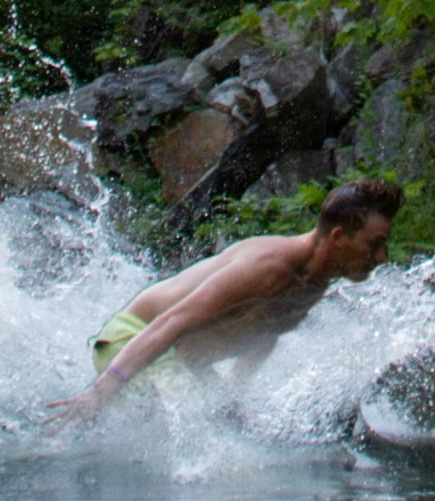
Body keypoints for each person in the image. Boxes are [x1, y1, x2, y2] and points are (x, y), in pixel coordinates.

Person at [59, 177, 406, 423]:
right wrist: (101, 391)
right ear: (338, 237)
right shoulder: (266, 267)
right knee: (204, 442)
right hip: (132, 340)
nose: (382, 257)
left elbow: (266, 333)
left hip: (184, 365)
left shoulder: (314, 282)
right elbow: (172, 321)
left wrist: (234, 396)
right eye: (374, 243)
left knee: (229, 430)